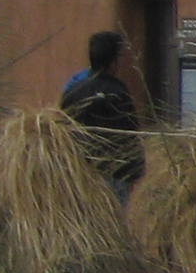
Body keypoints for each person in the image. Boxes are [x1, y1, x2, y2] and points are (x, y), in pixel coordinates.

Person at [60, 28, 146, 199]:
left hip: (80, 171)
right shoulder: (117, 92)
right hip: (115, 173)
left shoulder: (73, 90)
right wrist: (136, 168)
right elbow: (129, 133)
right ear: (113, 61)